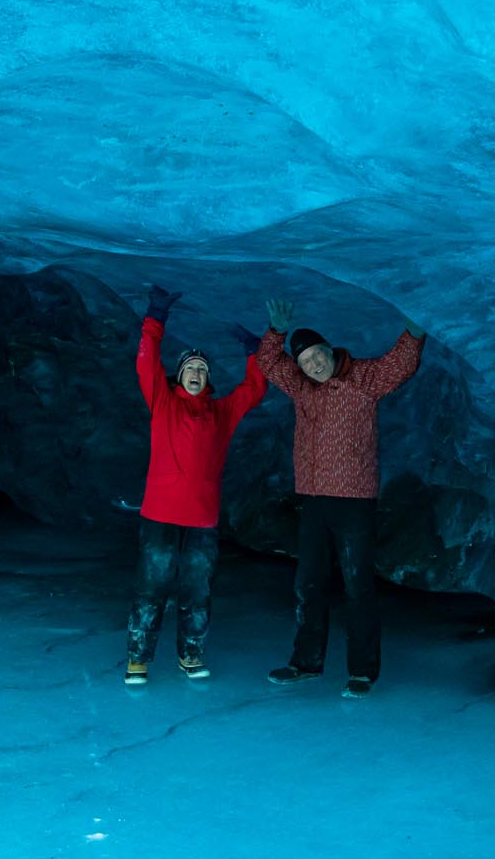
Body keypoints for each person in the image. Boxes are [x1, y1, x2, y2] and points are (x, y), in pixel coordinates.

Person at [257, 298, 425, 698]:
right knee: (309, 584)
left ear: (330, 351)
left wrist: (416, 330)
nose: (313, 364)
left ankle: (362, 671)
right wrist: (276, 333)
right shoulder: (301, 389)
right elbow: (269, 363)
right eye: (305, 361)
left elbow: (399, 365)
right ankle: (306, 663)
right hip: (314, 499)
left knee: (357, 586)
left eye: (317, 355)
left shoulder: (363, 379)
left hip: (353, 500)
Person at [125, 285, 268, 686]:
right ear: (180, 374)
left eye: (203, 370)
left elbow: (254, 390)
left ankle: (191, 653)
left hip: (202, 519)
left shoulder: (221, 413)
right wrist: (156, 316)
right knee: (151, 585)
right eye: (190, 368)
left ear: (207, 380)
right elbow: (146, 363)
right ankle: (138, 658)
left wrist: (255, 351)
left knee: (197, 588)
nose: (196, 374)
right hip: (160, 514)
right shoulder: (163, 402)